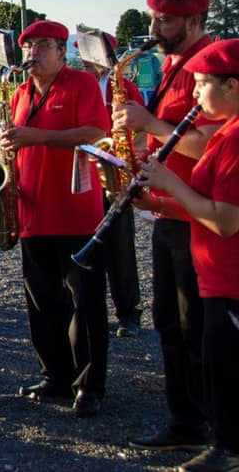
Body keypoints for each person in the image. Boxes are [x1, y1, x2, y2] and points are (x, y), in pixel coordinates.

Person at [117, 0, 221, 450]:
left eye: (165, 19)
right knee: (170, 323)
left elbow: (218, 148)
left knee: (198, 330)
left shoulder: (212, 68)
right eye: (153, 16)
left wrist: (150, 123)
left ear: (194, 19)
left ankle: (214, 430)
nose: (154, 26)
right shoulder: (173, 63)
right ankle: (185, 422)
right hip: (168, 211)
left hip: (201, 217)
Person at [136, 38, 239, 472]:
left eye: (201, 85)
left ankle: (229, 449)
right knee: (215, 358)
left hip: (231, 278)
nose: (194, 96)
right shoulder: (226, 135)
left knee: (227, 367)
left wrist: (169, 182)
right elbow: (206, 205)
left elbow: (225, 221)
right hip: (216, 273)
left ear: (232, 85)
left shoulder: (233, 140)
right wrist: (158, 203)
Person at [1, 20, 111, 418]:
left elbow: (97, 132)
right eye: (28, 46)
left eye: (43, 46)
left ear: (62, 51)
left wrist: (37, 137)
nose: (32, 53)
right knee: (42, 301)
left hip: (77, 212)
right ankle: (56, 376)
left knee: (86, 304)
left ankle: (89, 386)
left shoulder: (80, 84)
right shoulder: (20, 93)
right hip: (33, 211)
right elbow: (17, 147)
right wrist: (5, 191)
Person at [79, 32, 145, 338]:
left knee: (119, 246)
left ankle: (128, 313)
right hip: (84, 174)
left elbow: (140, 130)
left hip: (114, 173)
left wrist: (133, 166)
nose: (84, 59)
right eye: (81, 51)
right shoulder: (78, 83)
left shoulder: (123, 85)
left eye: (89, 52)